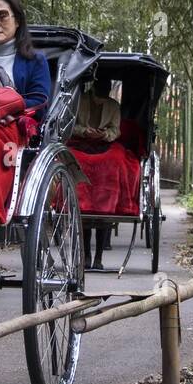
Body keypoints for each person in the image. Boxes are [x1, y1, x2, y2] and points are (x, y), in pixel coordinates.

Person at [72, 74, 122, 271]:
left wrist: (105, 135)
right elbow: (71, 125)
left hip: (104, 147)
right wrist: (85, 131)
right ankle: (86, 256)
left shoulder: (113, 106)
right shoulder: (80, 100)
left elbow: (116, 130)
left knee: (116, 161)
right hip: (81, 144)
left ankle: (99, 257)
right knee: (73, 159)